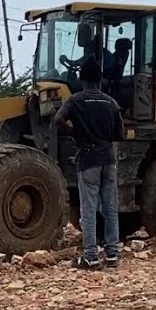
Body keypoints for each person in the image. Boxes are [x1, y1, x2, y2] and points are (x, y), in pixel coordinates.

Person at [53, 60, 125, 270]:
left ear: (82, 79)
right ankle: (112, 254)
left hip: (88, 160)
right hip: (108, 160)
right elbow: (120, 134)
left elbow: (58, 119)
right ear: (100, 79)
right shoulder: (111, 102)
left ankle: (91, 256)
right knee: (111, 208)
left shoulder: (75, 101)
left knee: (89, 210)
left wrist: (75, 133)